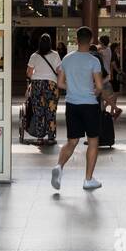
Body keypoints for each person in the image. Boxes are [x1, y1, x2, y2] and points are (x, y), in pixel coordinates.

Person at [51, 25, 104, 192]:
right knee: (93, 141)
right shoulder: (93, 61)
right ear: (91, 40)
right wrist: (91, 93)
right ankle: (88, 179)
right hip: (89, 105)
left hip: (72, 105)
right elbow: (100, 86)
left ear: (76, 40)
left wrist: (73, 89)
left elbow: (59, 84)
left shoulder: (66, 59)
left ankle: (59, 166)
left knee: (72, 141)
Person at [25, 32, 61, 143]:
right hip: (51, 85)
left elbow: (29, 73)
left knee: (38, 112)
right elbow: (59, 71)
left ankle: (40, 137)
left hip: (37, 84)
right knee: (51, 111)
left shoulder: (34, 56)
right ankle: (50, 137)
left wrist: (37, 75)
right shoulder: (55, 55)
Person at [98, 34, 121, 119]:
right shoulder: (108, 50)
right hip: (106, 75)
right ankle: (109, 109)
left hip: (103, 76)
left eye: (100, 41)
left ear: (102, 42)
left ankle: (111, 109)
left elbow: (95, 50)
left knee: (101, 94)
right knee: (102, 94)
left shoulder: (104, 51)